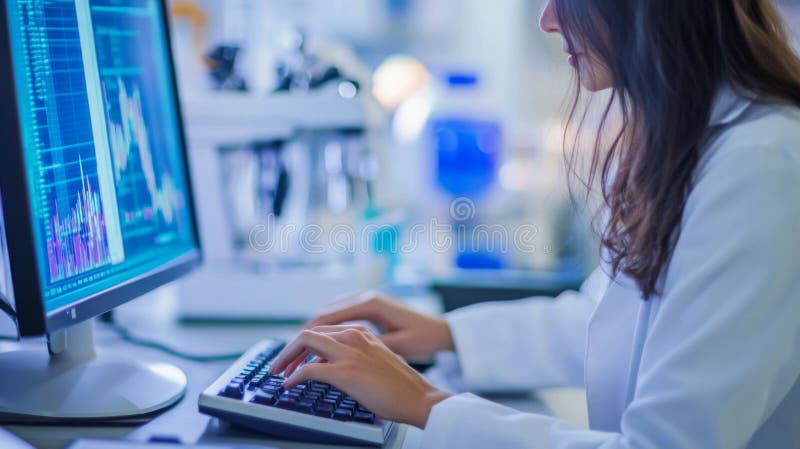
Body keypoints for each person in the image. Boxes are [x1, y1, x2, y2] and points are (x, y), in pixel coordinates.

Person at [270, 0, 800, 447]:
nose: (548, 19)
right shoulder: (697, 139)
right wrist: (445, 335)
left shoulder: (761, 167)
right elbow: (602, 321)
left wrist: (426, 403)